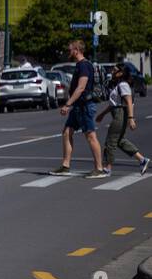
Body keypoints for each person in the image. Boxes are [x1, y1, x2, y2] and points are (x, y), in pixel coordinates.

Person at [50, 39, 106, 178]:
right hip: (78, 106)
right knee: (67, 132)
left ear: (76, 50)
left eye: (70, 49)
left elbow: (81, 87)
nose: (69, 52)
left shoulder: (84, 66)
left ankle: (99, 169)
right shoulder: (80, 65)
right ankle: (65, 166)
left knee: (90, 135)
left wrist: (68, 104)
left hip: (85, 106)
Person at [95, 64, 149, 177]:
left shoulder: (123, 85)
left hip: (120, 114)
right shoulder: (119, 85)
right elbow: (113, 104)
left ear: (121, 73)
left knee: (110, 141)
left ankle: (107, 168)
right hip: (117, 112)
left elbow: (128, 102)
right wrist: (102, 114)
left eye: (114, 70)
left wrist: (131, 118)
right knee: (119, 141)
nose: (112, 72)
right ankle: (142, 160)